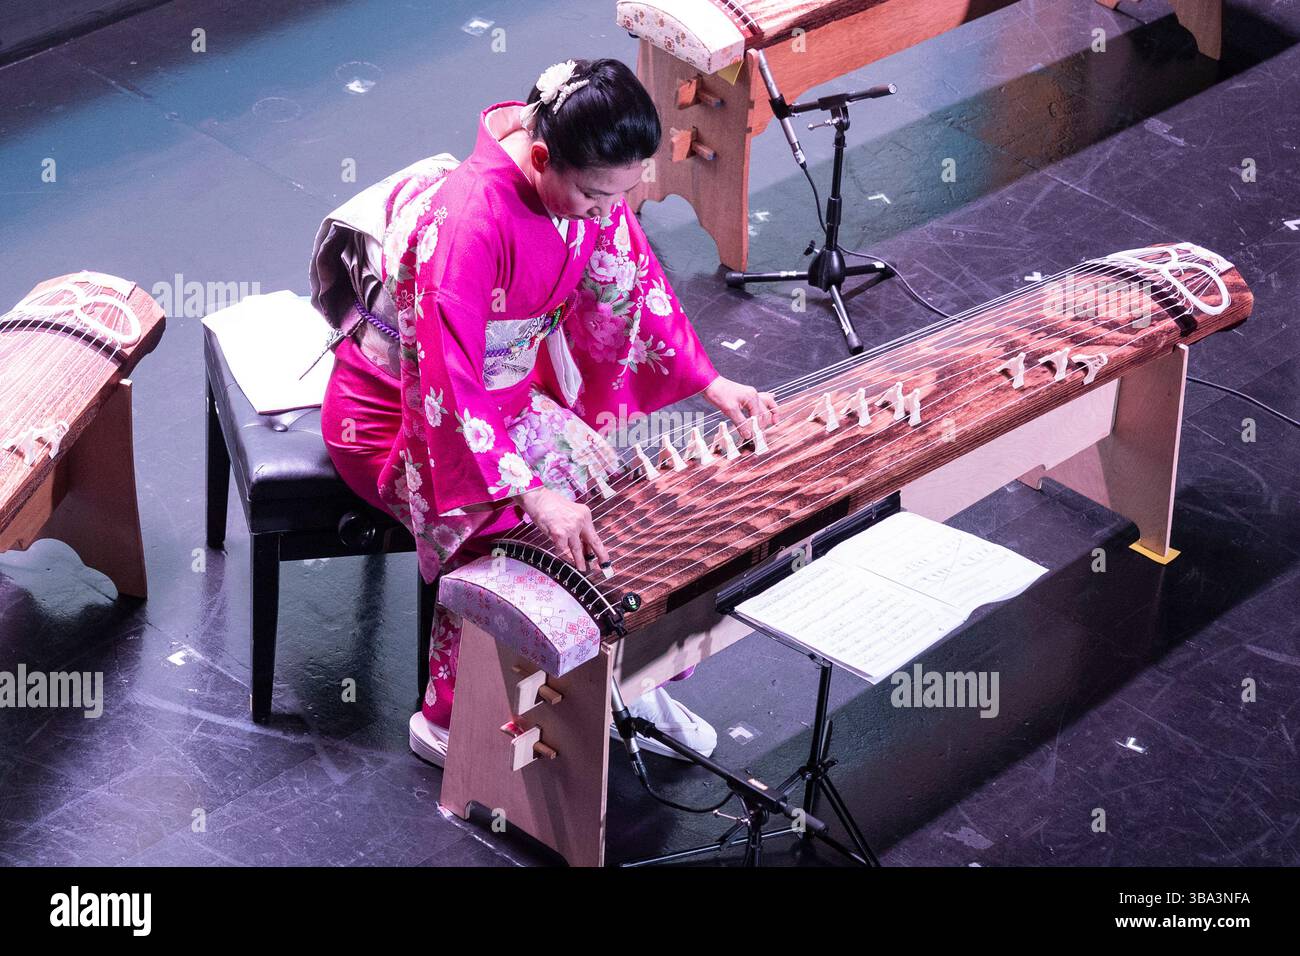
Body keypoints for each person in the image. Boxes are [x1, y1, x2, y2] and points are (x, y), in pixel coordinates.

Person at [314, 58, 778, 766]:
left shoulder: (586, 179)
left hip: (497, 401)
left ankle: (623, 674)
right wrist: (527, 488)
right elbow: (445, 380)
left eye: (621, 194)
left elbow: (630, 286)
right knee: (507, 532)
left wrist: (710, 383)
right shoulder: (466, 221)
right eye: (596, 195)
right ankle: (452, 718)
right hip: (405, 418)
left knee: (607, 488)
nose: (607, 211)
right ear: (540, 157)